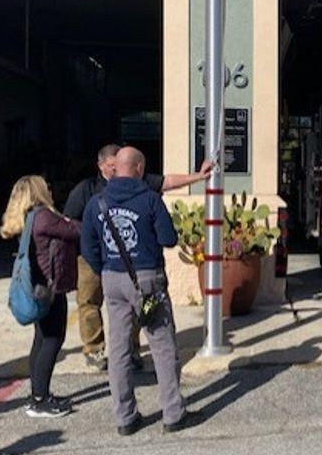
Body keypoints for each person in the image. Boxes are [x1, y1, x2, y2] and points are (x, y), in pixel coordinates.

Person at [81, 147, 199, 435]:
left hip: (112, 279)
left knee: (119, 349)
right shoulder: (149, 200)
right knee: (162, 345)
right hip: (147, 279)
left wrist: (106, 270)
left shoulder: (96, 203)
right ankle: (173, 413)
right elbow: (168, 239)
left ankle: (125, 417)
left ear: (115, 169)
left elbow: (88, 248)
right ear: (138, 168)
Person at [64, 144, 213, 371]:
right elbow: (69, 222)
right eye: (112, 166)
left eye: (120, 165)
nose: (117, 171)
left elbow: (167, 182)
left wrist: (199, 177)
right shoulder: (87, 190)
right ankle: (94, 348)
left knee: (134, 308)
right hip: (94, 258)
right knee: (89, 302)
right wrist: (96, 259)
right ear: (101, 165)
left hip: (131, 262)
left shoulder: (140, 184)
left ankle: (131, 350)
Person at [0, 175, 81, 418]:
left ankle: (37, 392)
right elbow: (74, 231)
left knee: (41, 339)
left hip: (38, 287)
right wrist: (69, 220)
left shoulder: (27, 217)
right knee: (52, 340)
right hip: (50, 287)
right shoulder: (44, 217)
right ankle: (40, 399)